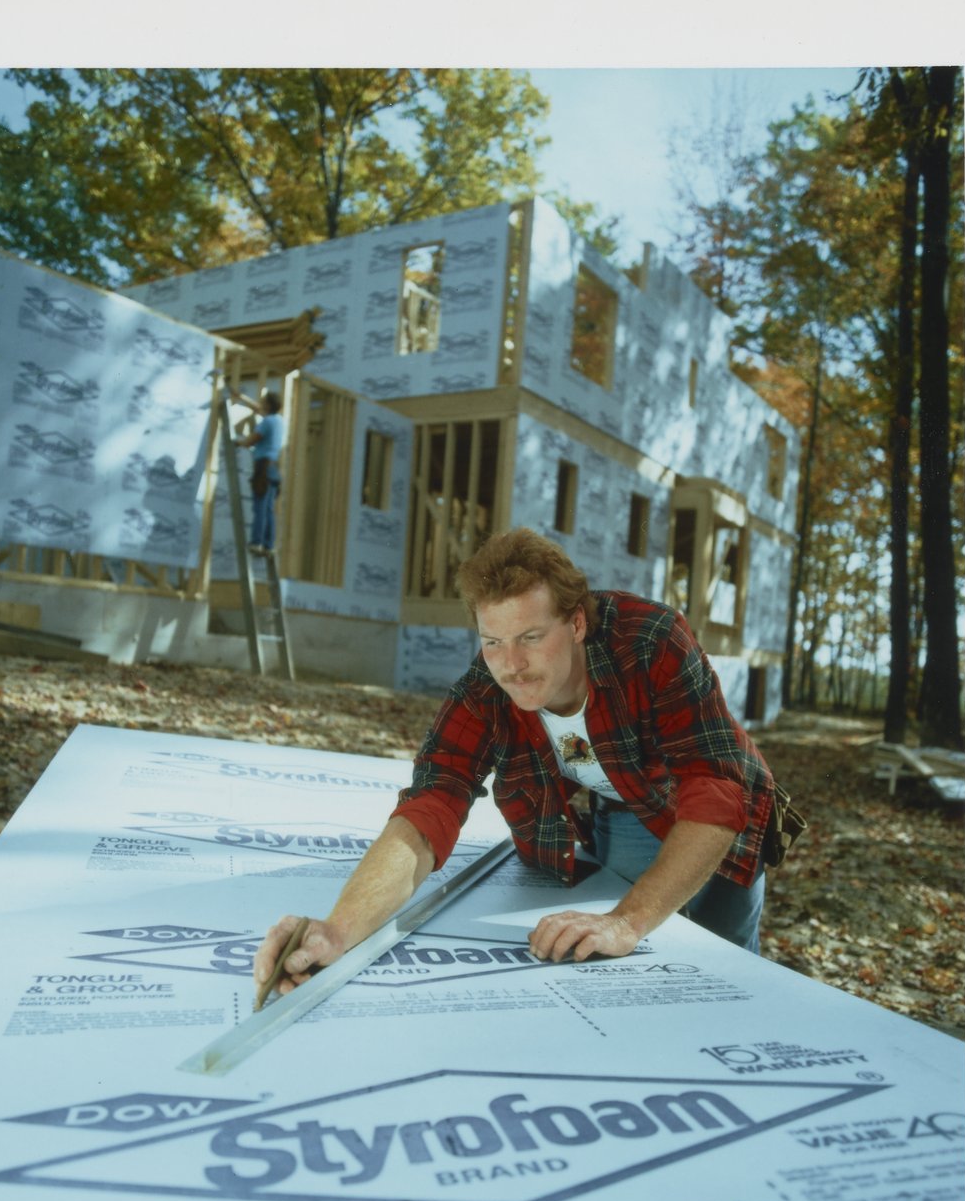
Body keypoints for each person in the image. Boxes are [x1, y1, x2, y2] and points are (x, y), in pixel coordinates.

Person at [253, 527, 777, 998]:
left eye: (530, 637)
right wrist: (338, 931)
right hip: (625, 809)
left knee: (723, 963)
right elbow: (431, 804)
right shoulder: (486, 690)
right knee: (640, 972)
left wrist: (627, 921)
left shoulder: (651, 640)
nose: (512, 665)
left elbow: (714, 786)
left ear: (575, 623)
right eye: (493, 642)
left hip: (716, 808)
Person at [233, 390, 284, 555]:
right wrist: (241, 397)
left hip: (263, 467)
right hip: (274, 468)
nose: (260, 404)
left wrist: (237, 442)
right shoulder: (278, 420)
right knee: (268, 509)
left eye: (263, 402)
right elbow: (259, 409)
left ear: (268, 405)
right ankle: (268, 545)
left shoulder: (266, 422)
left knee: (260, 507)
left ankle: (256, 542)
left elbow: (250, 441)